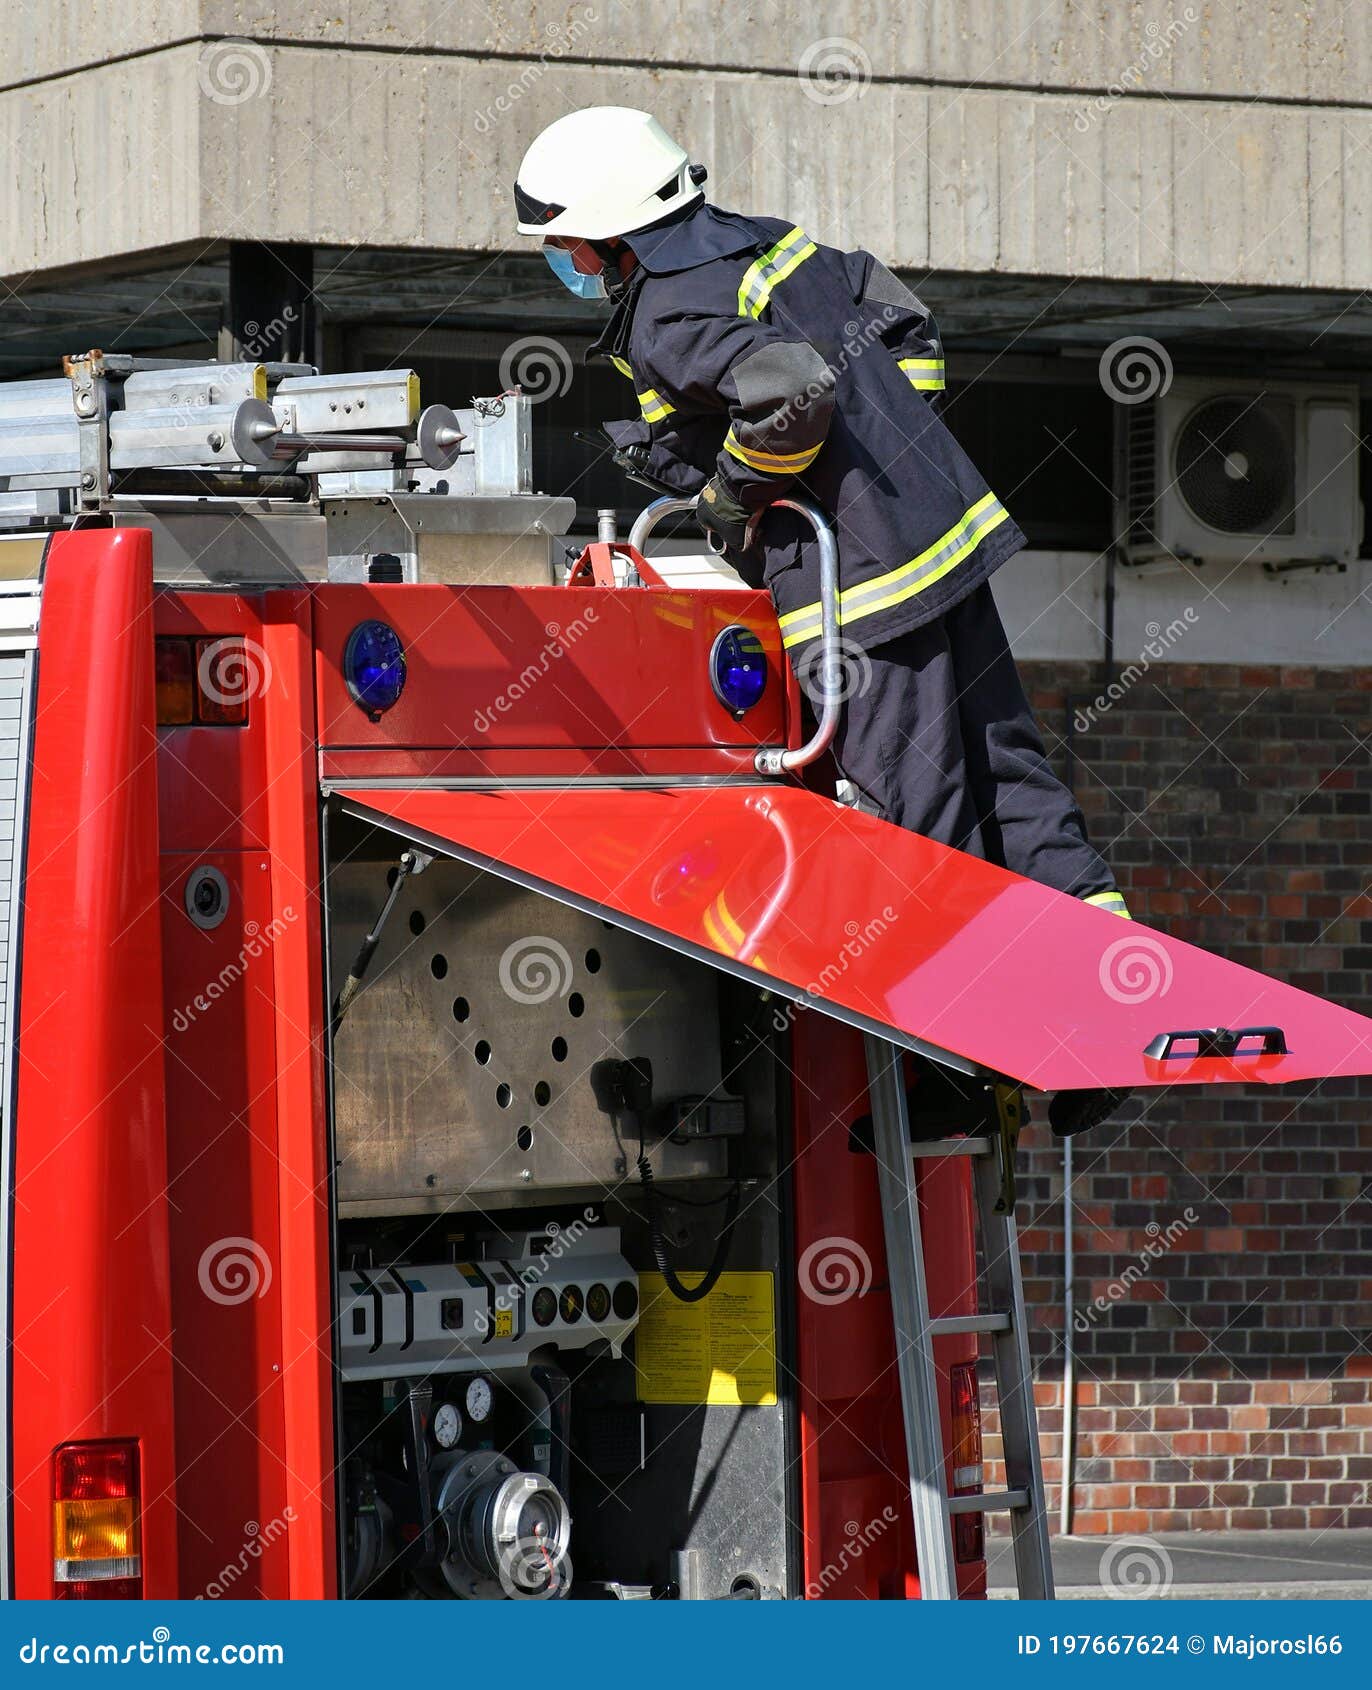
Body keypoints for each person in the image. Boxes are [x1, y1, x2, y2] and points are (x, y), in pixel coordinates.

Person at [515, 106, 1130, 1137]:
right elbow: (902, 327)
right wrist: (892, 452)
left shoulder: (669, 305)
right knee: (1010, 783)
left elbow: (792, 392)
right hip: (945, 544)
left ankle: (957, 1065)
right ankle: (1107, 1016)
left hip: (864, 589)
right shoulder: (770, 244)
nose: (565, 265)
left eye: (565, 245)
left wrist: (733, 499)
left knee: (912, 821)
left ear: (609, 230)